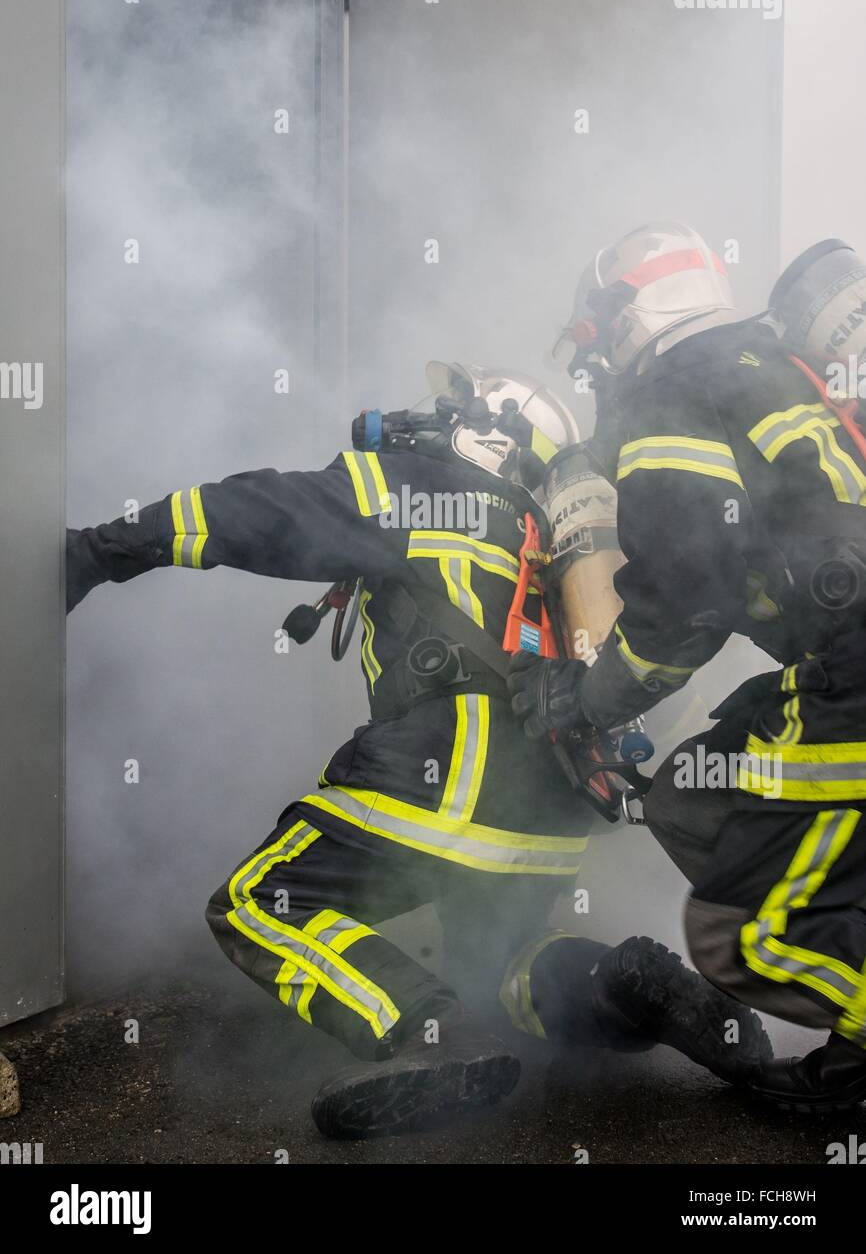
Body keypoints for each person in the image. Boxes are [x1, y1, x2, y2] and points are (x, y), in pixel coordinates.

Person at [67, 360, 769, 1138]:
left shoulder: (423, 489)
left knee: (259, 904)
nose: (424, 417)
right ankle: (628, 987)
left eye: (447, 409)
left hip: (450, 772)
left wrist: (100, 552)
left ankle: (432, 1038)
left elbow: (258, 512)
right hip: (550, 803)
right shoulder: (549, 540)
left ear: (481, 430)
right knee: (497, 960)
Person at [509, 224, 866, 1111]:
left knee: (732, 932)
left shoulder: (675, 393)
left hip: (852, 673)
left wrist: (588, 699)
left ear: (633, 313)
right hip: (838, 667)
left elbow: (685, 610)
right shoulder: (768, 365)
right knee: (700, 792)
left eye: (598, 332)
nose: (595, 360)